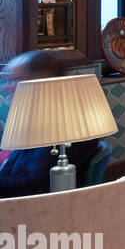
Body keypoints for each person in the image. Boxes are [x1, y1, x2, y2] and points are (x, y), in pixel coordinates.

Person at [0, 50, 103, 197]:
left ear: (40, 80)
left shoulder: (61, 126)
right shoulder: (36, 117)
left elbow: (36, 187)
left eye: (14, 79)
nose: (6, 86)